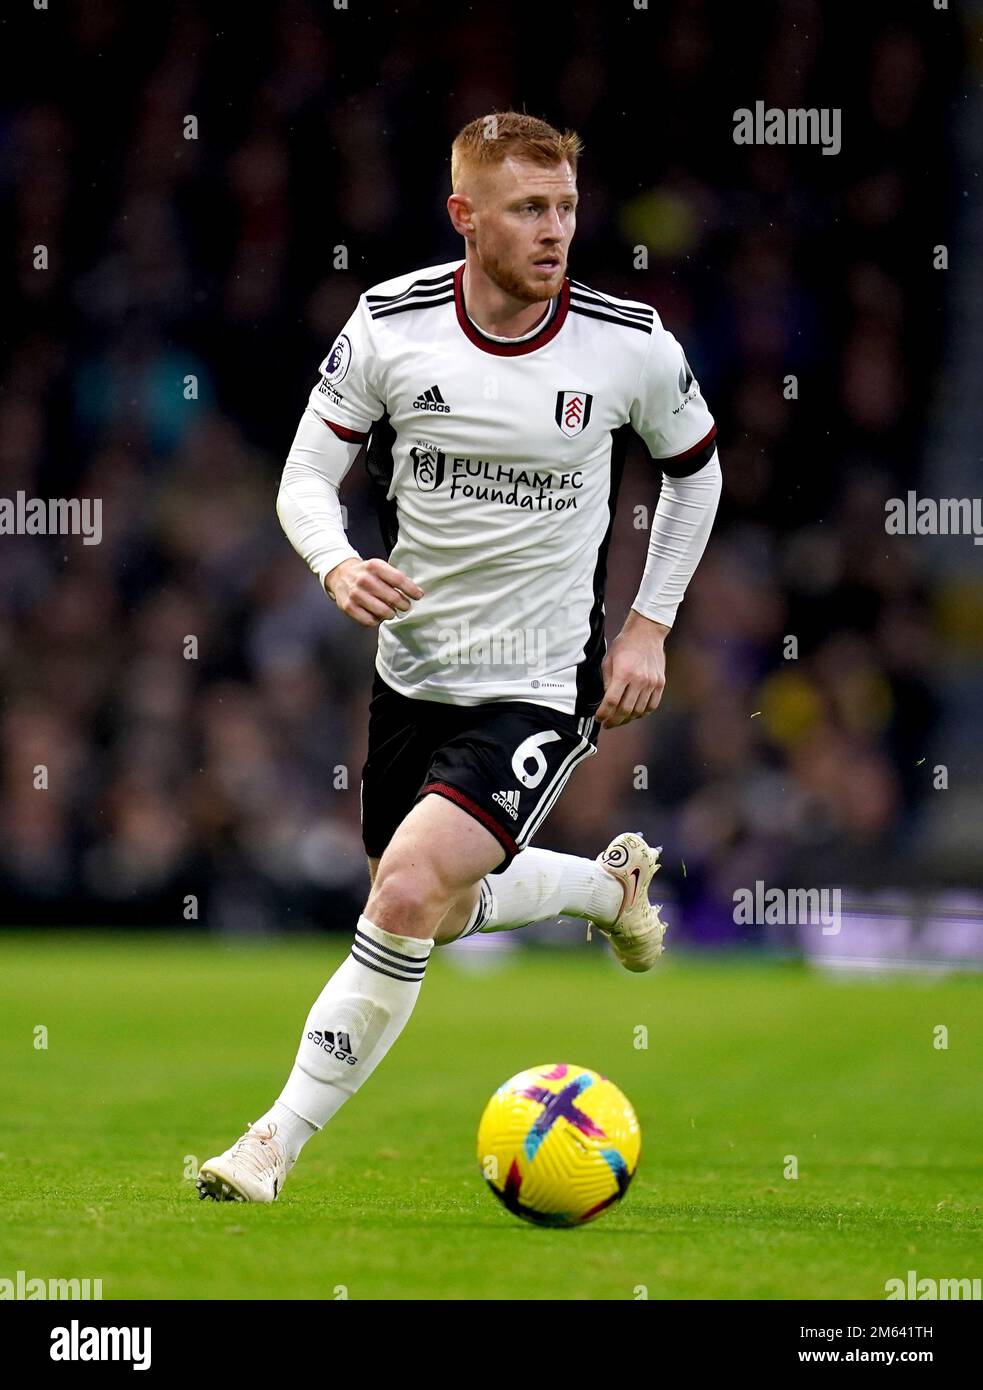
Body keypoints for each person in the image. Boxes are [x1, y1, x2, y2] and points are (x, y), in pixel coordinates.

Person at [197, 111, 721, 1203]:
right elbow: (302, 480)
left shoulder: (628, 344)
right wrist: (338, 564)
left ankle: (268, 1145)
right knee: (429, 901)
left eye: (566, 208)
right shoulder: (390, 325)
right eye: (528, 209)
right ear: (463, 216)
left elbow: (695, 473)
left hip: (539, 680)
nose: (555, 231)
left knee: (404, 889)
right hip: (411, 673)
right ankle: (602, 887)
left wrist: (647, 624)